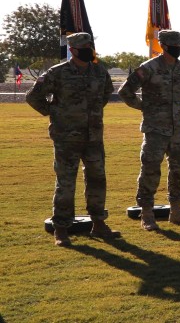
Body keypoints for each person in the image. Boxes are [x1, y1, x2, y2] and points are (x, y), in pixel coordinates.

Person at [26, 32, 119, 246]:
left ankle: (98, 223)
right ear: (74, 50)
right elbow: (33, 96)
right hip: (66, 137)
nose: (89, 49)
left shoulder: (99, 71)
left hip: (94, 136)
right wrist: (54, 113)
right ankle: (61, 228)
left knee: (97, 180)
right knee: (66, 182)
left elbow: (106, 94)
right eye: (85, 46)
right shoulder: (57, 73)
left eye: (90, 45)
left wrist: (91, 113)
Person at [119, 29, 180, 230]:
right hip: (155, 130)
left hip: (178, 129)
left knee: (178, 170)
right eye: (173, 45)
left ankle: (176, 211)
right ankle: (147, 213)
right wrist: (143, 106)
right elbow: (125, 91)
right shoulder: (148, 68)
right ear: (162, 46)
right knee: (151, 170)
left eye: (179, 44)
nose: (177, 48)